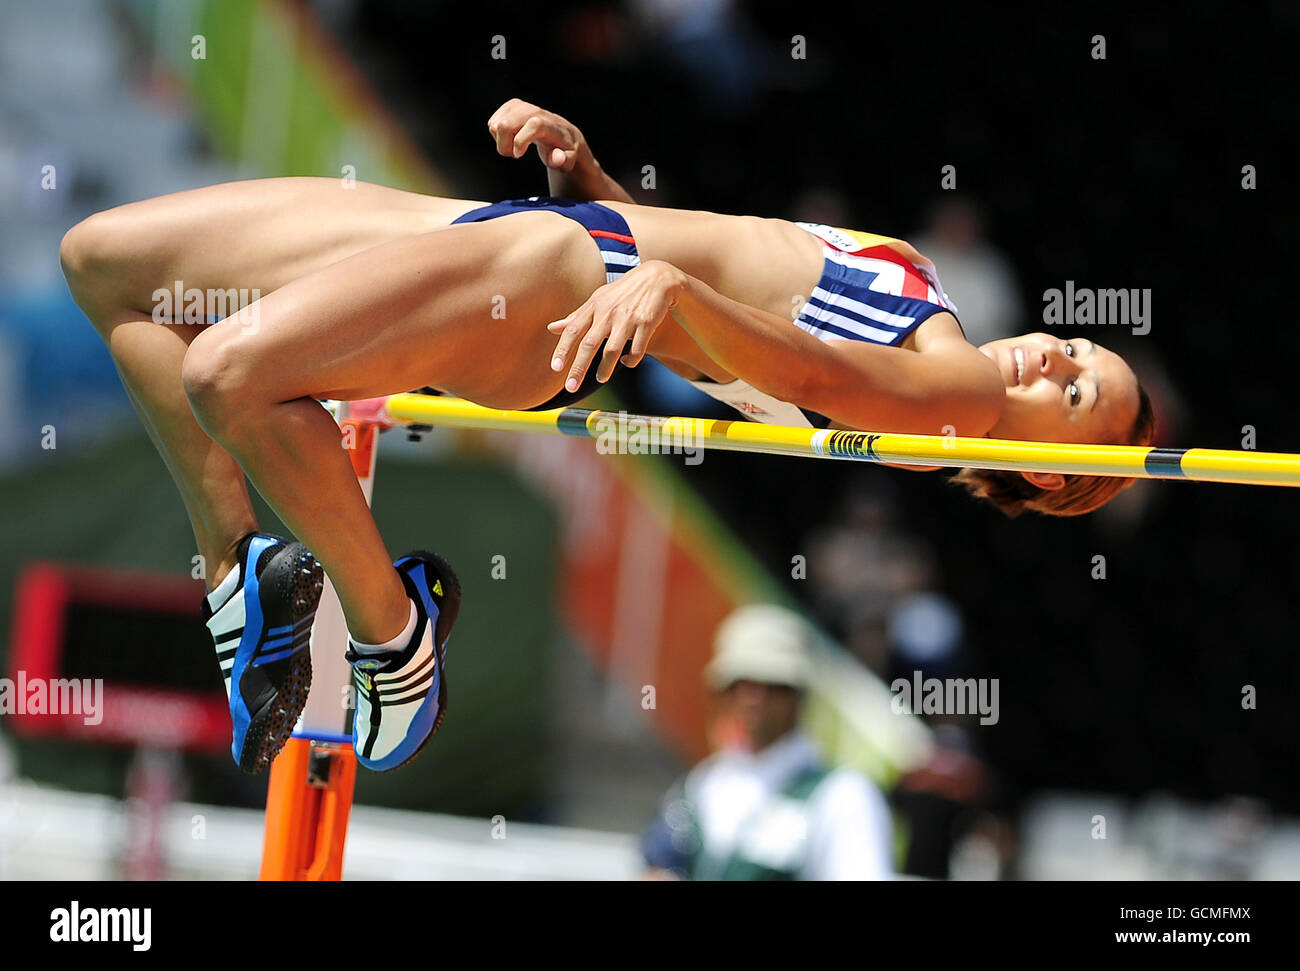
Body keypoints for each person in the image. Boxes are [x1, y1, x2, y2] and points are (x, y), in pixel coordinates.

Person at [58, 98, 1155, 773]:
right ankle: (240, 574)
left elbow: (802, 363)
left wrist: (657, 275)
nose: (1055, 357)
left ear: (1053, 470)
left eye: (1073, 395)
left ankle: (397, 635)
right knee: (109, 264)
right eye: (1076, 348)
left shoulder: (949, 396)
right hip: (548, 235)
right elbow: (736, 322)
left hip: (547, 284)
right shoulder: (931, 314)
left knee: (228, 372)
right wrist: (587, 178)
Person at [640, 604, 894, 880]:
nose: (753, 697)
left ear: (797, 694)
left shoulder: (844, 797)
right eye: (740, 683)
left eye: (772, 684)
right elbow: (658, 865)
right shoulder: (701, 786)